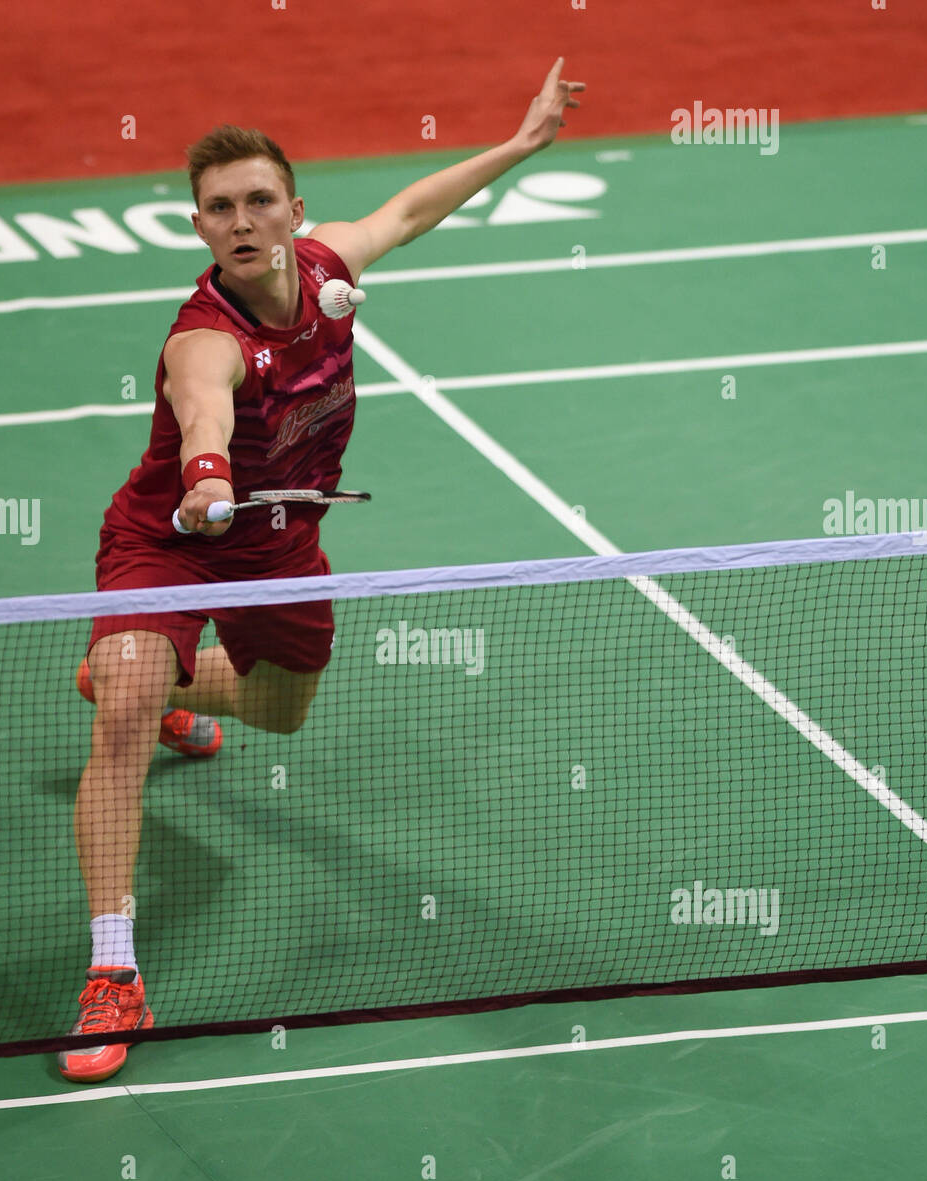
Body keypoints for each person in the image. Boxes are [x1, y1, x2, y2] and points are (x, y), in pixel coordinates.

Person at [58, 57, 586, 1082]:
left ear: (294, 211)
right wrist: (205, 476)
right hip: (171, 535)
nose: (242, 219)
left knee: (281, 708)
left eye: (260, 200)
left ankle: (156, 675)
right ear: (200, 227)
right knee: (123, 709)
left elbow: (405, 210)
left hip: (284, 538)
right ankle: (112, 968)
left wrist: (521, 146)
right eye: (220, 208)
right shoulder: (202, 338)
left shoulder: (329, 269)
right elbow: (203, 407)